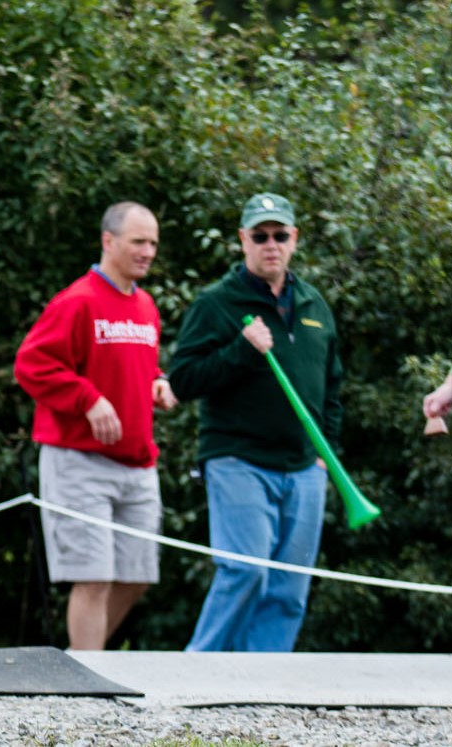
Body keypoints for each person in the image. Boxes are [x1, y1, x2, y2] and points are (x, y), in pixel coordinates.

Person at [170, 192, 342, 652]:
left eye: (280, 235)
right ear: (243, 240)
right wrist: (241, 351)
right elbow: (182, 380)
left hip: (305, 468)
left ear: (294, 240)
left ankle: (264, 686)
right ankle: (197, 671)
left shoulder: (314, 305)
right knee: (245, 569)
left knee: (290, 588)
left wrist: (326, 457)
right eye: (260, 235)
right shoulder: (217, 303)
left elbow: (333, 389)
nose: (271, 244)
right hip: (237, 460)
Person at [14, 202, 177, 650]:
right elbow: (31, 364)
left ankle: (81, 661)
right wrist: (87, 399)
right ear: (109, 241)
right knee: (93, 579)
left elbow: (132, 365)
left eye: (153, 243)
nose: (148, 251)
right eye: (138, 242)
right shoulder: (78, 300)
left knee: (137, 576)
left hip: (138, 464)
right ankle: (87, 687)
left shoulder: (145, 305)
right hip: (79, 462)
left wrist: (157, 383)